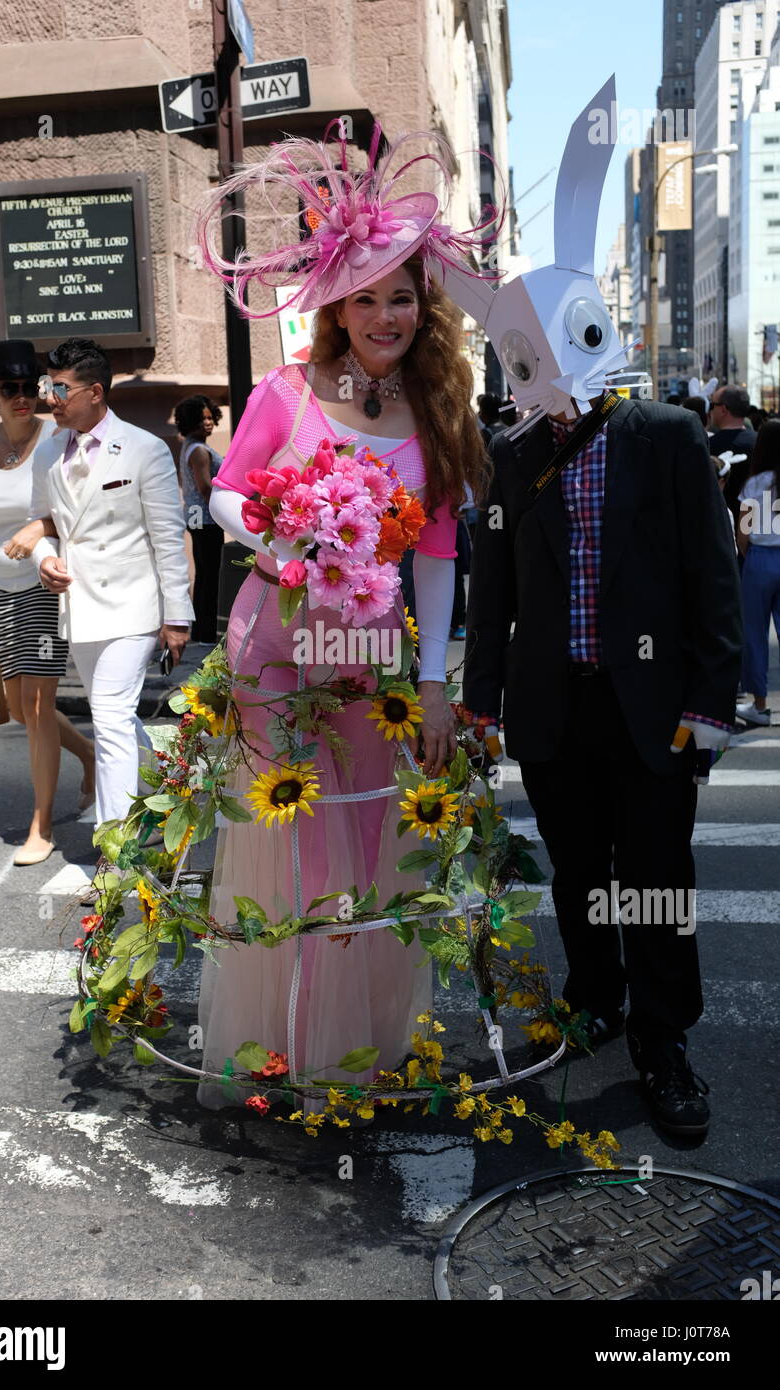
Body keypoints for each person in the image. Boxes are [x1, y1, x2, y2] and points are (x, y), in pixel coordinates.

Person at [462, 75, 742, 1139]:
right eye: (513, 349)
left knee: (655, 877)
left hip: (652, 703)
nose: (533, 367)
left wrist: (711, 702)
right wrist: (482, 693)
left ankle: (662, 1036)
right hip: (552, 706)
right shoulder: (512, 454)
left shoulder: (663, 435)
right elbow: (492, 585)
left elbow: (709, 579)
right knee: (578, 868)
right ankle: (593, 1000)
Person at [193, 121, 496, 1104]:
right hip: (276, 641)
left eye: (399, 295)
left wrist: (438, 682)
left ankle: (348, 1049)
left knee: (366, 845)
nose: (384, 315)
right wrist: (291, 537)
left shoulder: (435, 409)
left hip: (371, 654)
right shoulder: (286, 393)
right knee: (294, 839)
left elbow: (440, 556)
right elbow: (226, 496)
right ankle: (281, 1051)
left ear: (421, 302)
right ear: (336, 304)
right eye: (364, 297)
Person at [25, 338, 194, 830]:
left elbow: (168, 537)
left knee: (109, 713)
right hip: (79, 606)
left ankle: (115, 849)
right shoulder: (47, 453)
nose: (48, 398)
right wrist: (43, 559)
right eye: (46, 386)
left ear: (95, 392)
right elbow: (42, 523)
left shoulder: (146, 448)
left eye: (59, 388)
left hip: (134, 607)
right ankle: (168, 783)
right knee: (116, 716)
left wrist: (177, 617)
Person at [0, 340, 94, 866]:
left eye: (30, 387)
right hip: (3, 590)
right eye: (9, 388)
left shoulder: (59, 440)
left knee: (39, 705)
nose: (23, 398)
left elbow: (82, 512)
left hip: (46, 582)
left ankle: (42, 827)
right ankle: (88, 755)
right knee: (19, 708)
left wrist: (38, 528)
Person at [735, 419, 780, 727]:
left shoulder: (755, 483)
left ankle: (760, 704)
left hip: (760, 559)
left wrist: (748, 557)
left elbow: (743, 534)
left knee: (755, 634)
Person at [174, 394, 224, 645]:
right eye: (201, 418)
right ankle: (205, 633)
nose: (208, 422)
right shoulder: (200, 451)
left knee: (204, 574)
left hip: (195, 518)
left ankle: (202, 631)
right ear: (190, 421)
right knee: (209, 576)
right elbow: (206, 488)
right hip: (206, 519)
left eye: (209, 417)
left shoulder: (189, 446)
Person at [709, 385, 758, 525]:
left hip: (718, 524)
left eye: (713, 405)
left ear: (723, 409)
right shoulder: (760, 442)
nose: (710, 410)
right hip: (756, 525)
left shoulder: (707, 444)